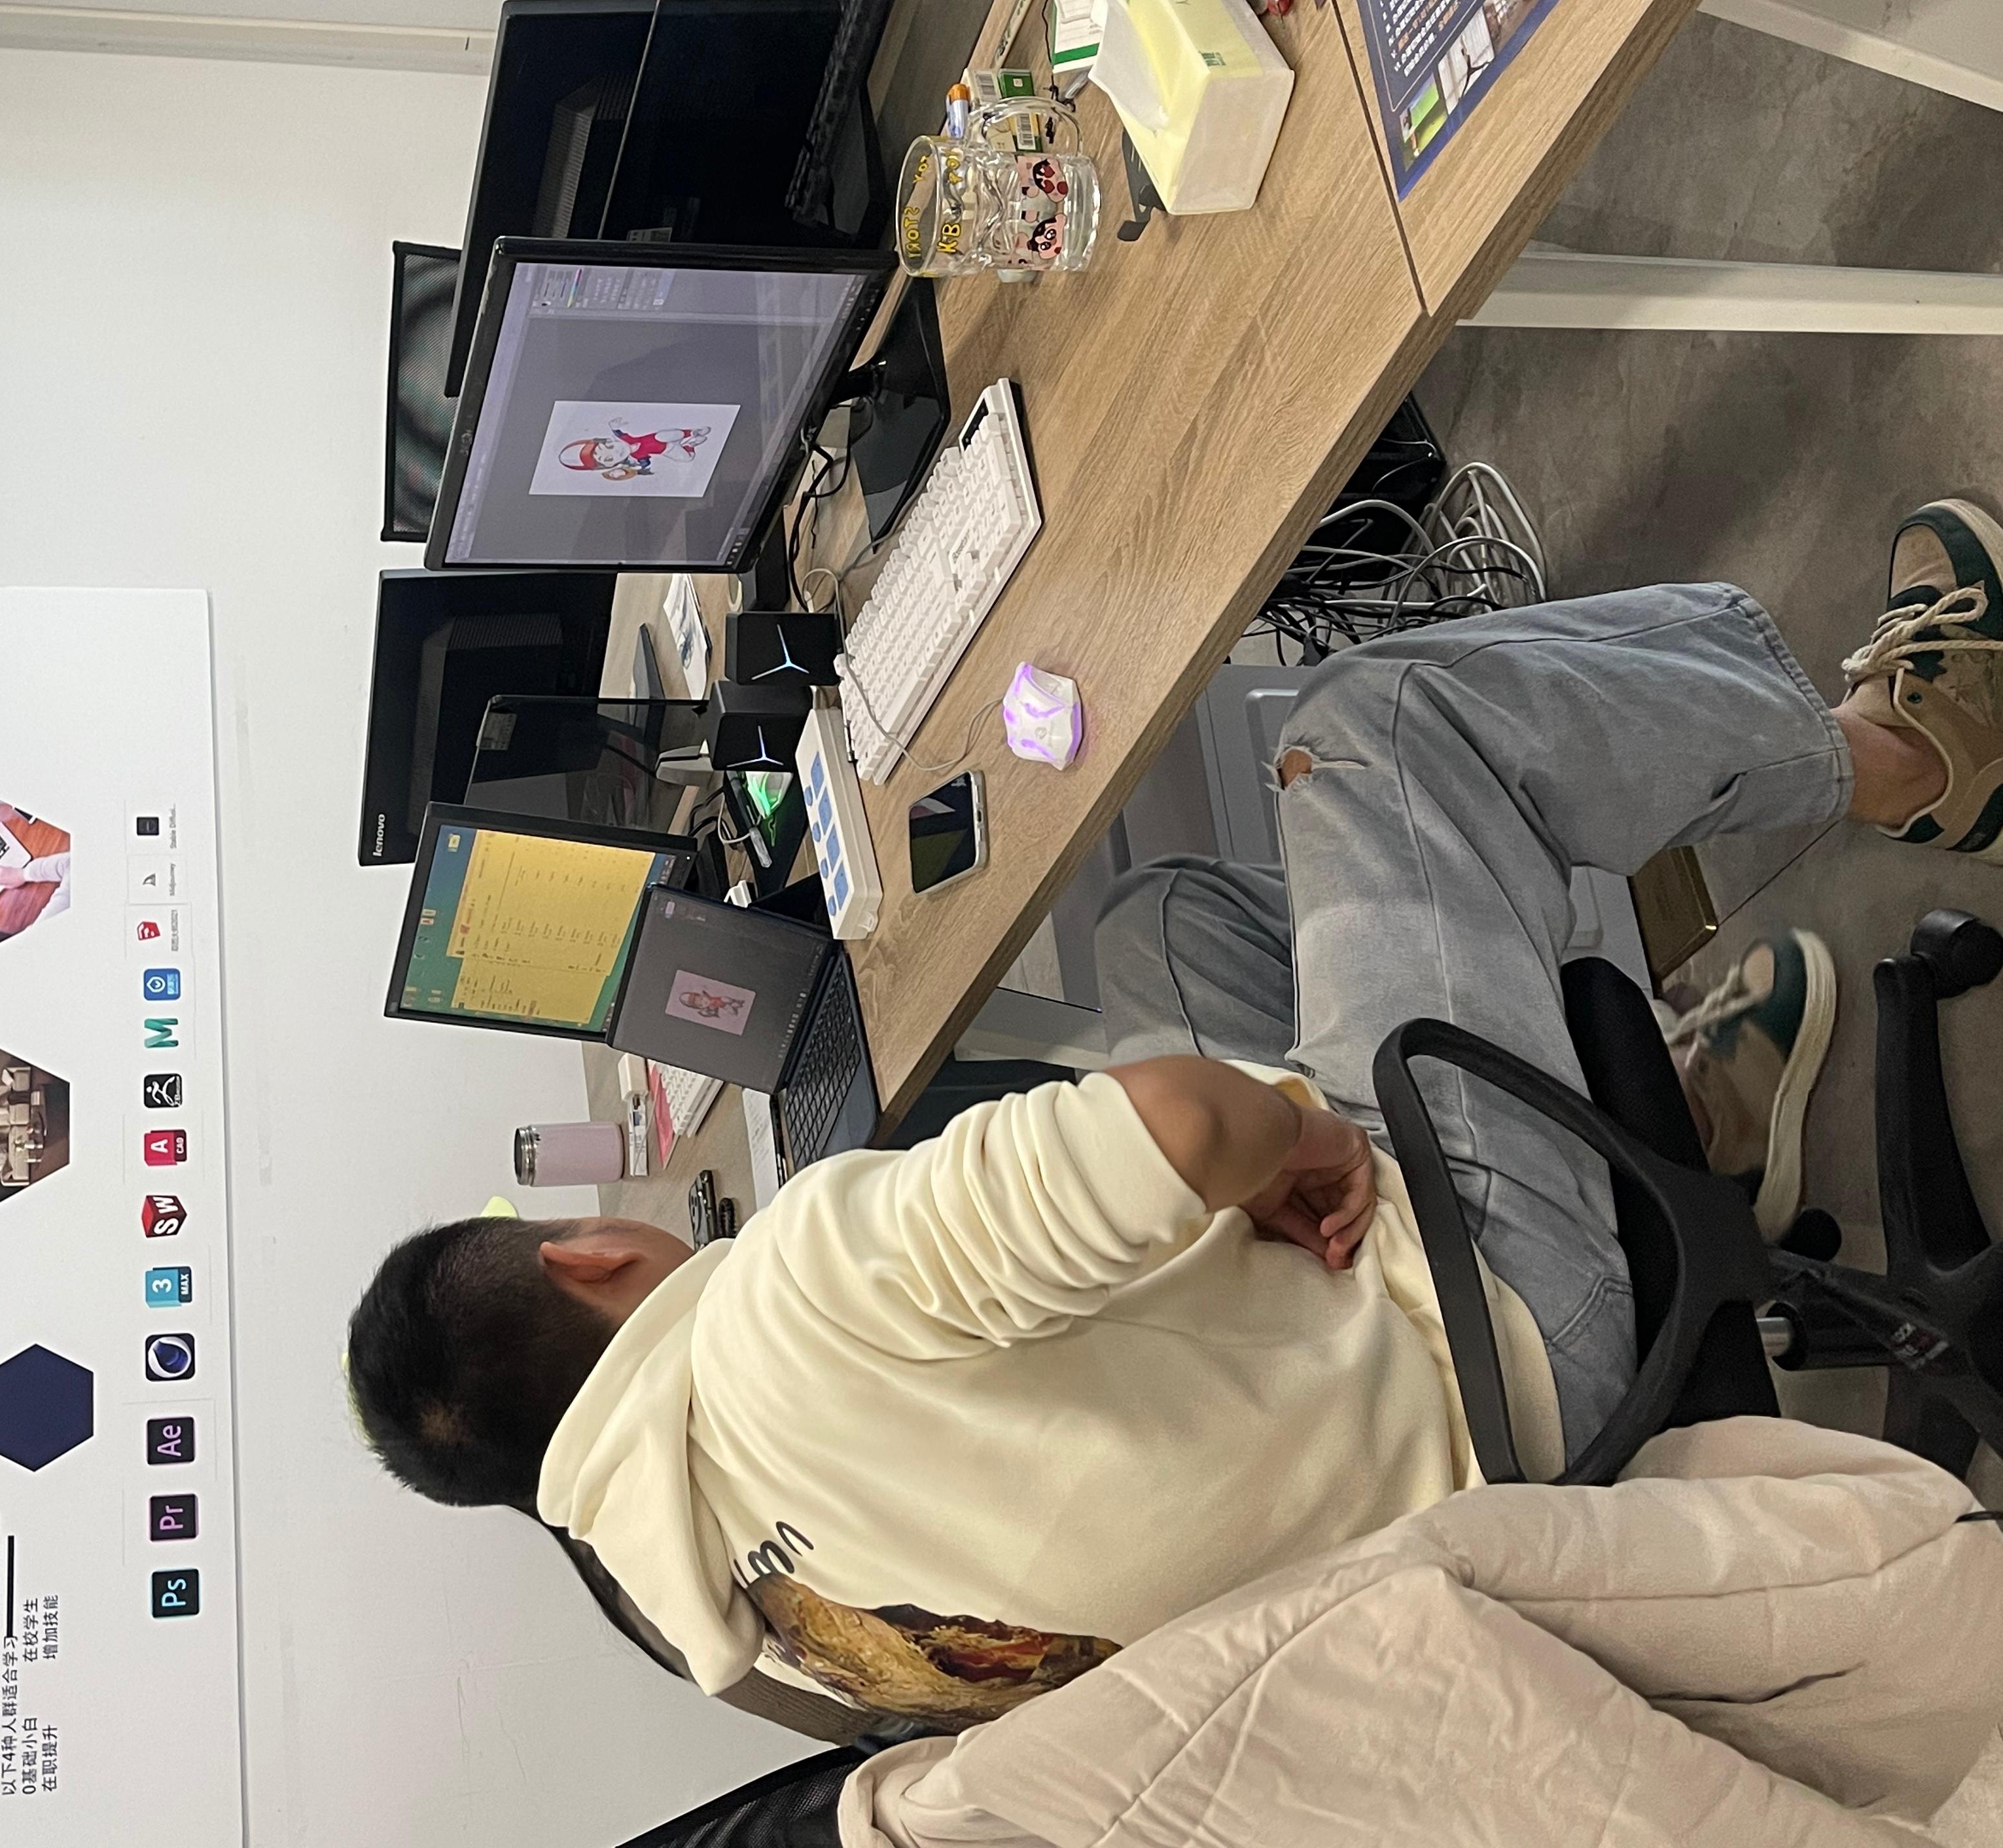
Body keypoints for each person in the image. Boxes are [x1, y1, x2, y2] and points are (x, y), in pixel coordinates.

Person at [346, 501, 2003, 1730]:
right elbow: (1184, 1135)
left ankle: (1670, 1115)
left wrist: (1241, 1149)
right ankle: (1919, 751)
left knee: (1168, 936)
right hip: (1489, 1337)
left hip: (1431, 1550)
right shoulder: (781, 1301)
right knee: (1377, 735)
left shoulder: (734, 1627)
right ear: (584, 1256)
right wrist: (1283, 1139)